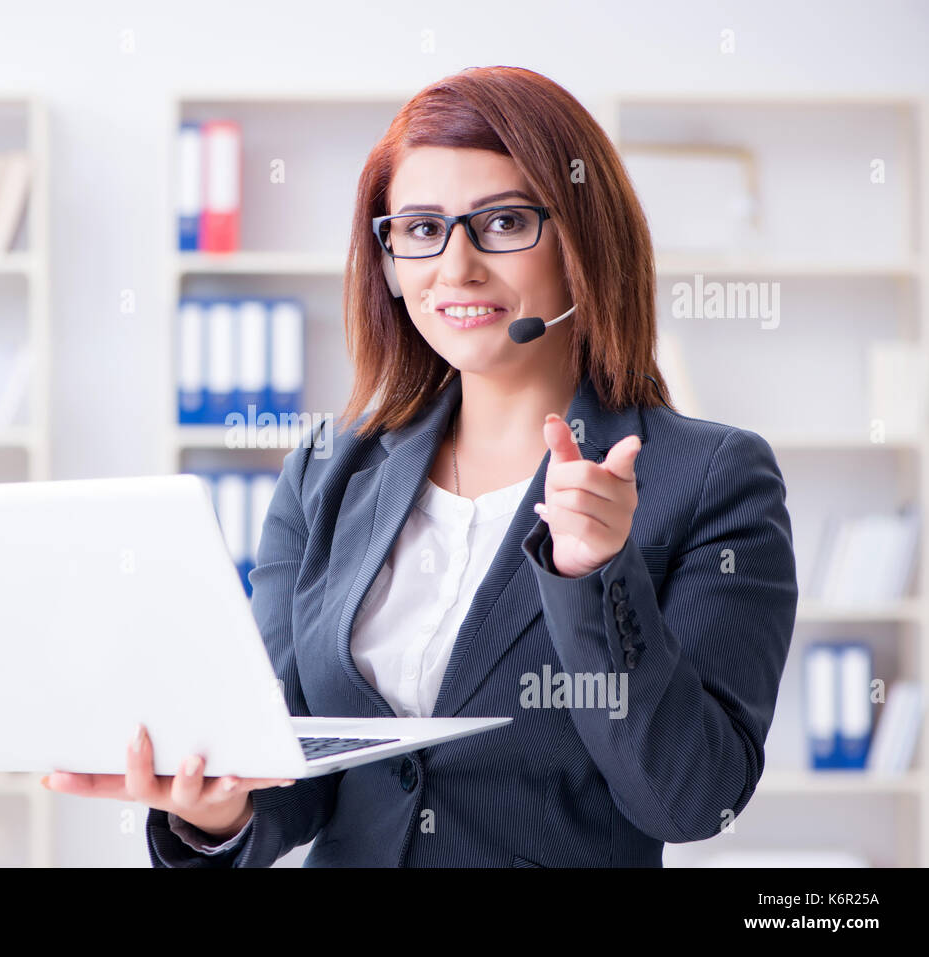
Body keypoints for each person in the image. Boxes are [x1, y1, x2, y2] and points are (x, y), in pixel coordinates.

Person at [43, 65, 799, 867]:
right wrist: (220, 810)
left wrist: (594, 575)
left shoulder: (713, 479)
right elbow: (289, 751)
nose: (456, 265)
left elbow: (689, 798)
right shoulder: (328, 468)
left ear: (584, 241)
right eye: (420, 228)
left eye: (504, 222)